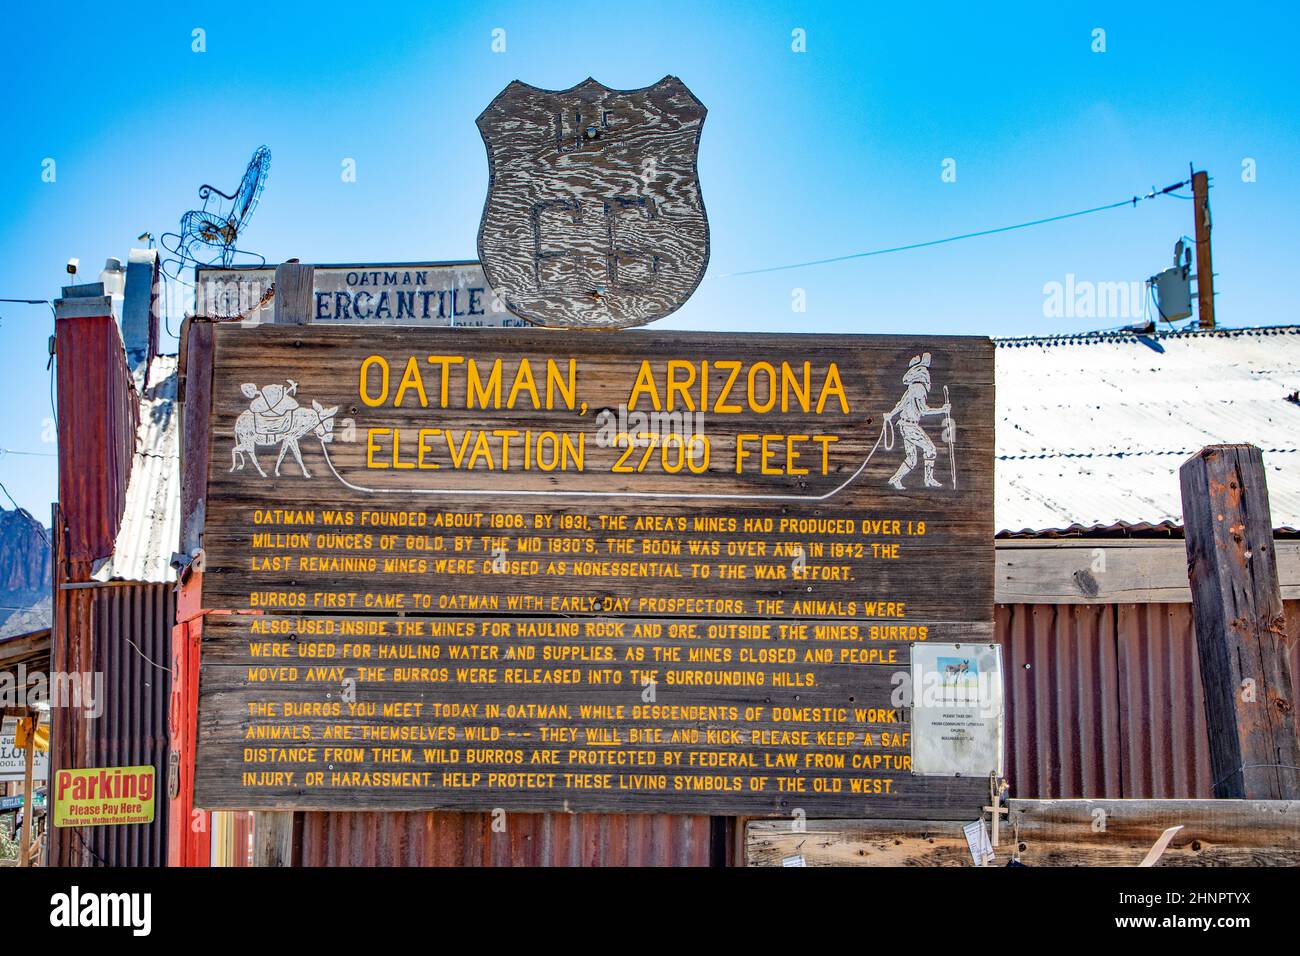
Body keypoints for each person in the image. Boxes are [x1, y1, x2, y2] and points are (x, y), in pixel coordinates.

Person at [885, 353, 949, 490]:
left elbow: (900, 405)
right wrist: (942, 410)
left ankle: (895, 479)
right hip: (910, 427)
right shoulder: (919, 388)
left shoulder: (912, 388)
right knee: (931, 449)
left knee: (912, 459)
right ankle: (928, 479)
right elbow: (923, 410)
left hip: (905, 425)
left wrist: (890, 415)